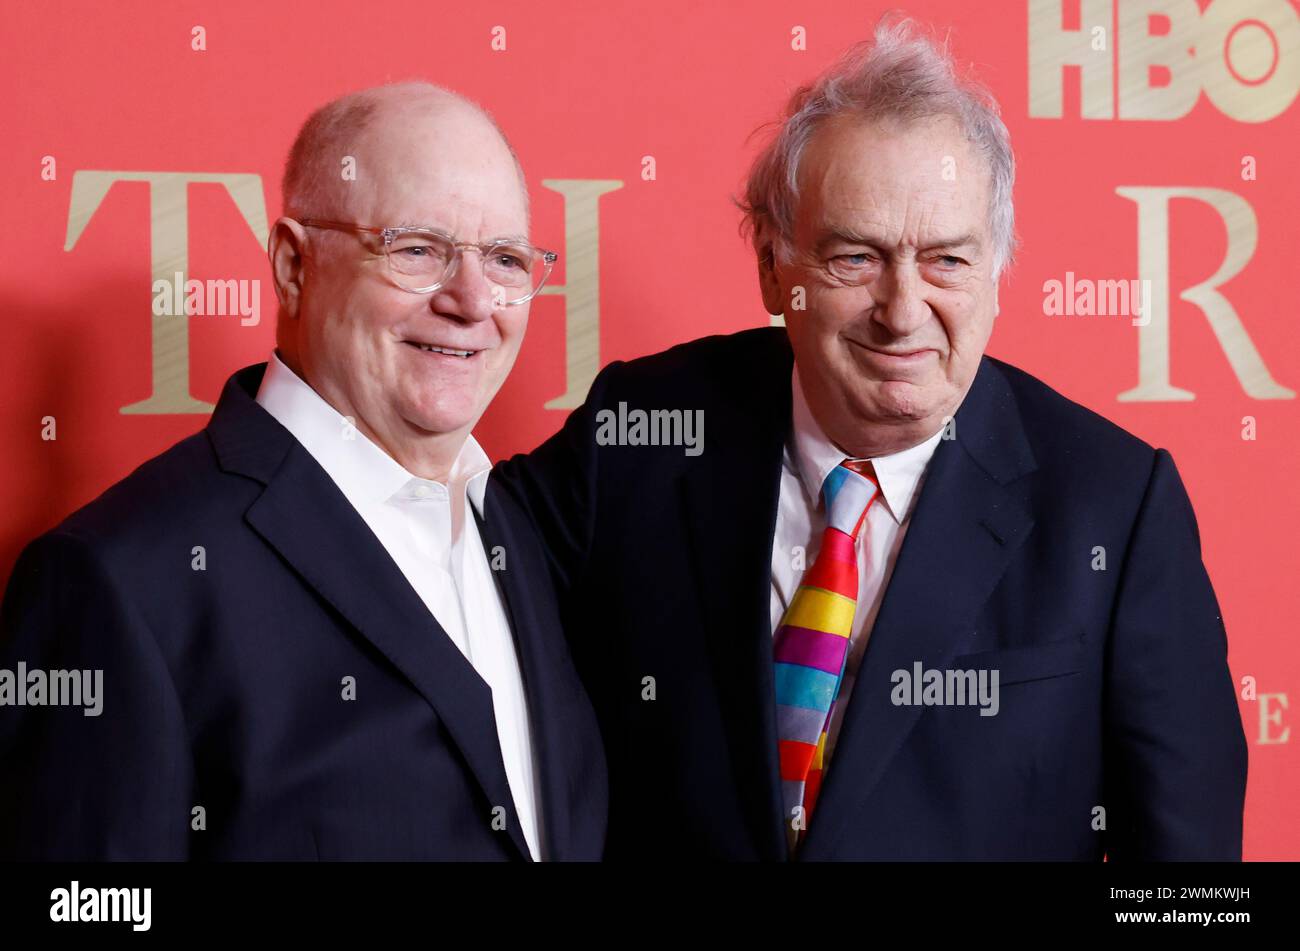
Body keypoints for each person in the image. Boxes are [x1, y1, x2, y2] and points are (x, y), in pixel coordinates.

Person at [494, 19, 1247, 860]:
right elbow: (435, 569)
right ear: (774, 270)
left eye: (947, 261)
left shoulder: (1115, 506)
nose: (902, 310)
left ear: (996, 267)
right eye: (856, 258)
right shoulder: (638, 433)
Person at [0, 82, 606, 861]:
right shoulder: (120, 580)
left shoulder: (522, 535)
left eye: (505, 259)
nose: (471, 299)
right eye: (417, 249)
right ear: (292, 264)